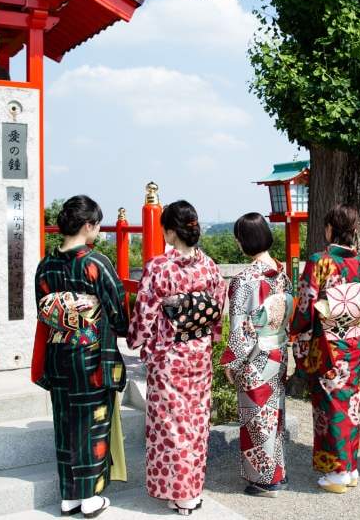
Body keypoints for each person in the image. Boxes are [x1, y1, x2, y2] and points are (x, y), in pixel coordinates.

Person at [127, 200, 227, 516]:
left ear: (171, 232)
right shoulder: (209, 266)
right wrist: (210, 334)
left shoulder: (159, 268)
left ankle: (180, 492)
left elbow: (144, 313)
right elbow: (218, 308)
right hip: (199, 356)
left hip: (169, 357)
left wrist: (135, 340)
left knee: (172, 425)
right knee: (195, 424)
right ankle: (192, 489)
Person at [33, 195, 129, 519]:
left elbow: (44, 312)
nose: (98, 230)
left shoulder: (45, 266)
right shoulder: (95, 264)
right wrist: (114, 325)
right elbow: (118, 311)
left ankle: (68, 496)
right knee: (92, 422)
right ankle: (89, 497)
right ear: (88, 226)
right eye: (97, 225)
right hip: (91, 357)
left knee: (64, 422)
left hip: (58, 354)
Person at [289, 204, 360, 494]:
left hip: (327, 343)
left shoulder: (319, 261)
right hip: (353, 342)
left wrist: (295, 329)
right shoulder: (359, 262)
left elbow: (306, 303)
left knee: (331, 405)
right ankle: (349, 468)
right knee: (350, 403)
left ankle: (336, 473)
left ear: (329, 229)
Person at [220, 213, 293, 498]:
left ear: (243, 241)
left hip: (255, 356)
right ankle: (277, 472)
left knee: (255, 417)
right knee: (273, 415)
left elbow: (240, 327)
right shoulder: (282, 274)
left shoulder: (244, 279)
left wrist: (231, 360)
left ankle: (264, 480)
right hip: (278, 350)